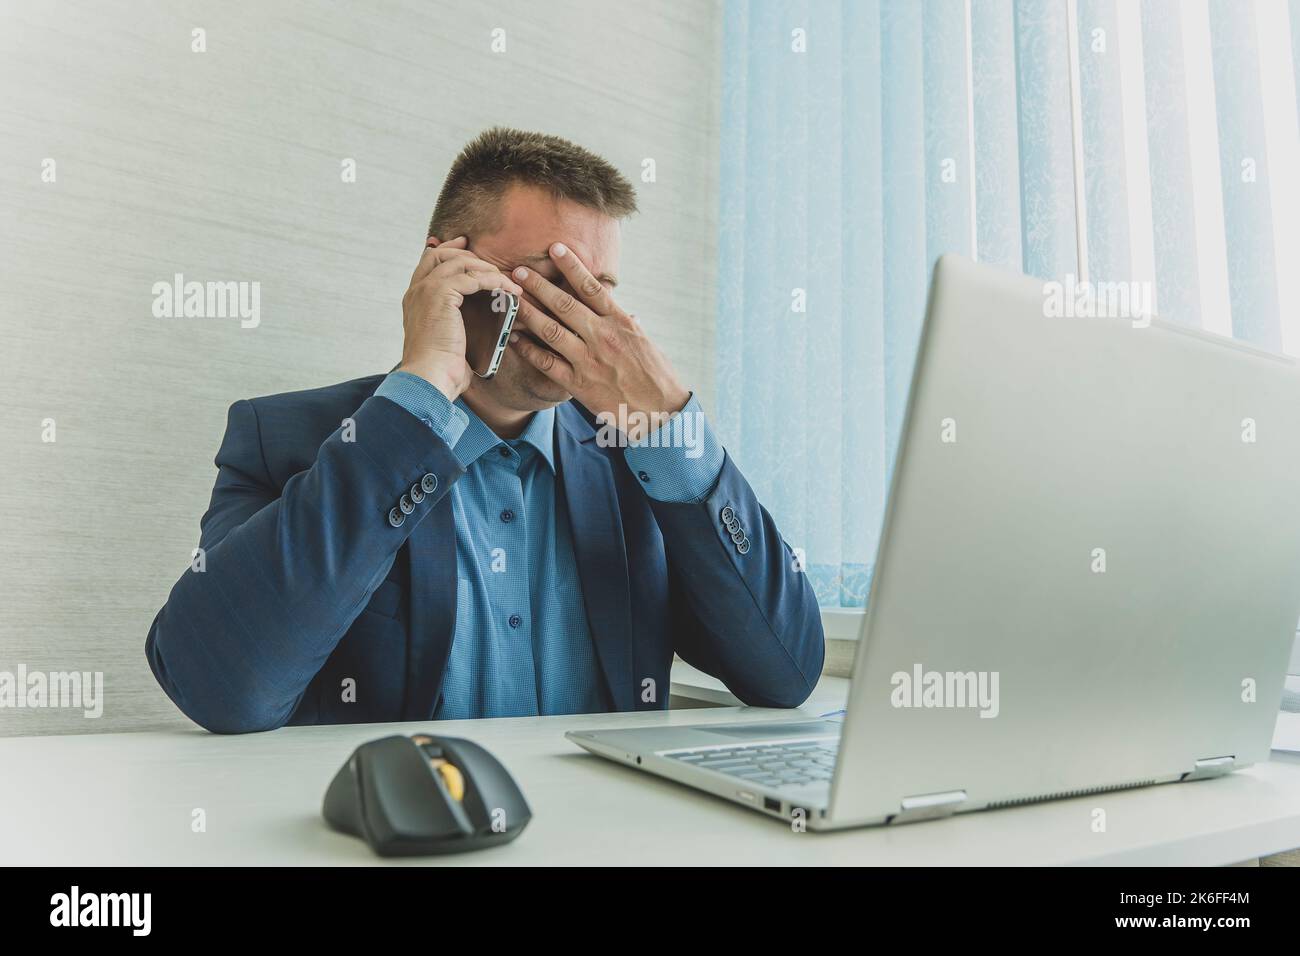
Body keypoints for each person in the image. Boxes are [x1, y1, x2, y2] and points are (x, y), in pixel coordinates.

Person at [145, 127, 824, 733]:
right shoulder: (288, 436)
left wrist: (671, 421)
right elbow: (221, 691)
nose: (578, 314)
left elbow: (785, 670)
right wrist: (420, 395)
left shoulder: (642, 461)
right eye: (544, 277)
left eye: (599, 289)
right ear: (444, 266)